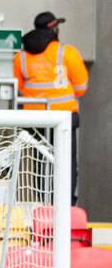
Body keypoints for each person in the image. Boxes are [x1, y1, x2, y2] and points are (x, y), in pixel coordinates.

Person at [15, 11, 88, 203]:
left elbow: (19, 88)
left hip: (35, 118)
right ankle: (66, 203)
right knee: (66, 161)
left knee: (41, 161)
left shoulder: (21, 56)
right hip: (63, 117)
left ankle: (43, 202)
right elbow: (81, 87)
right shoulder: (67, 53)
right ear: (54, 29)